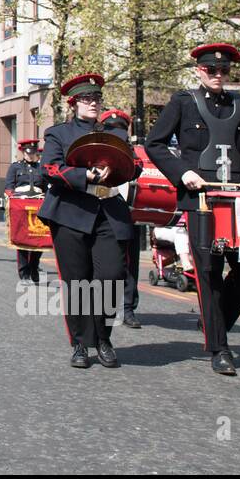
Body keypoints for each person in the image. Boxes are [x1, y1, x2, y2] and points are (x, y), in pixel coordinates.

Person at [145, 42, 240, 376]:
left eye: (224, 70)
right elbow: (155, 144)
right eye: (211, 70)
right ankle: (220, 348)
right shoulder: (183, 102)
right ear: (198, 70)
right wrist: (181, 172)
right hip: (200, 200)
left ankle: (215, 322)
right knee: (209, 272)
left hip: (238, 200)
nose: (218, 75)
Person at [38, 74, 132, 369]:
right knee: (77, 282)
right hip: (71, 212)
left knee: (111, 277)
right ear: (73, 104)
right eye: (87, 99)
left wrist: (119, 169)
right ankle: (80, 343)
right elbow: (50, 169)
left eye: (97, 98)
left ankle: (103, 338)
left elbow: (135, 165)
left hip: (108, 211)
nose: (93, 103)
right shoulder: (59, 133)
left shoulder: (116, 134)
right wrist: (84, 175)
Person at [98, 109, 143, 328]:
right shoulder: (97, 144)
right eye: (112, 130)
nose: (118, 135)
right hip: (104, 209)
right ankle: (102, 308)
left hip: (128, 210)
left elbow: (138, 171)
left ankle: (127, 308)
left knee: (128, 262)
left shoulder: (133, 149)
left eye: (121, 131)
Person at [5, 138, 46, 282]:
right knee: (22, 239)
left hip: (37, 207)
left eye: (33, 152)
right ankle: (24, 272)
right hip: (21, 206)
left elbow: (46, 190)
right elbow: (9, 188)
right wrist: (13, 201)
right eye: (28, 152)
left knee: (39, 238)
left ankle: (34, 266)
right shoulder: (15, 167)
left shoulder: (41, 168)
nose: (30, 155)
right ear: (23, 152)